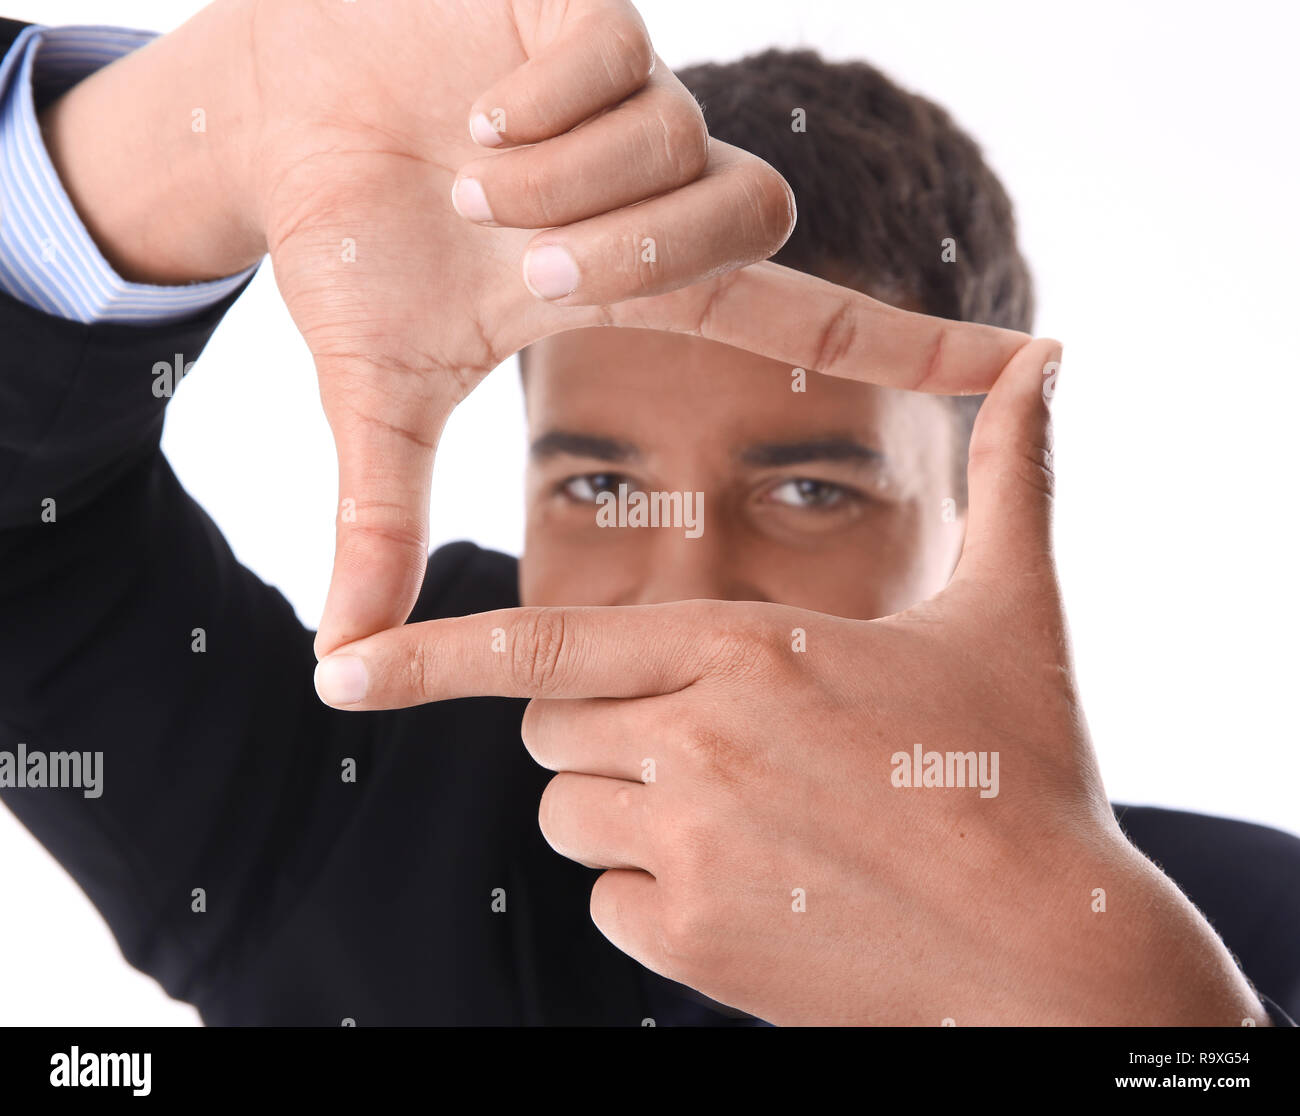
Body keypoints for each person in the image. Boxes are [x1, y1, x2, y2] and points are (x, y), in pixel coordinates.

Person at [1, 8, 1295, 1026]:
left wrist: (1094, 995)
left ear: (972, 517)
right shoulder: (359, 818)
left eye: (810, 491)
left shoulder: (1249, 934)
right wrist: (210, 117)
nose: (688, 590)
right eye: (601, 487)